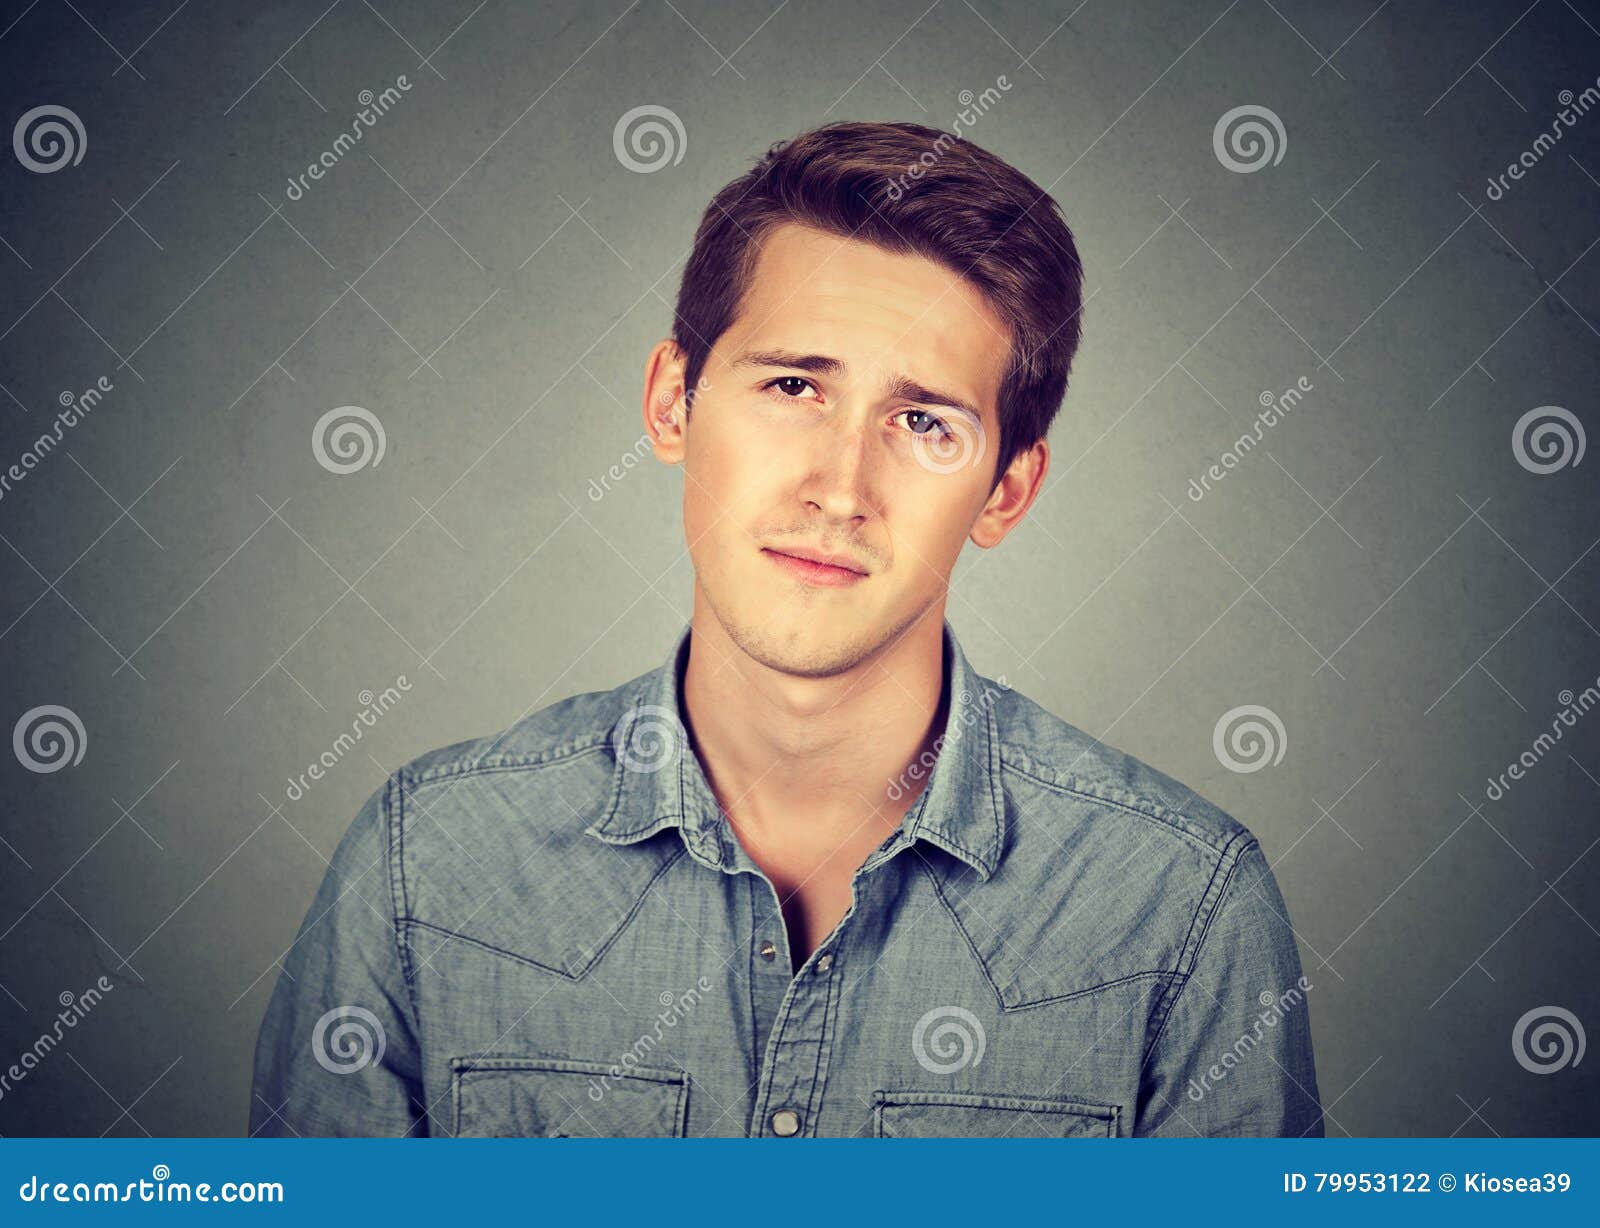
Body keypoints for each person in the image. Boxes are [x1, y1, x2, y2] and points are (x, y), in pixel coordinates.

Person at [250, 120, 1322, 1138]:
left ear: (1005, 490)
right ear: (673, 401)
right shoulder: (425, 867)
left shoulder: (1179, 908)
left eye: (921, 422)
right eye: (794, 384)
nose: (839, 488)